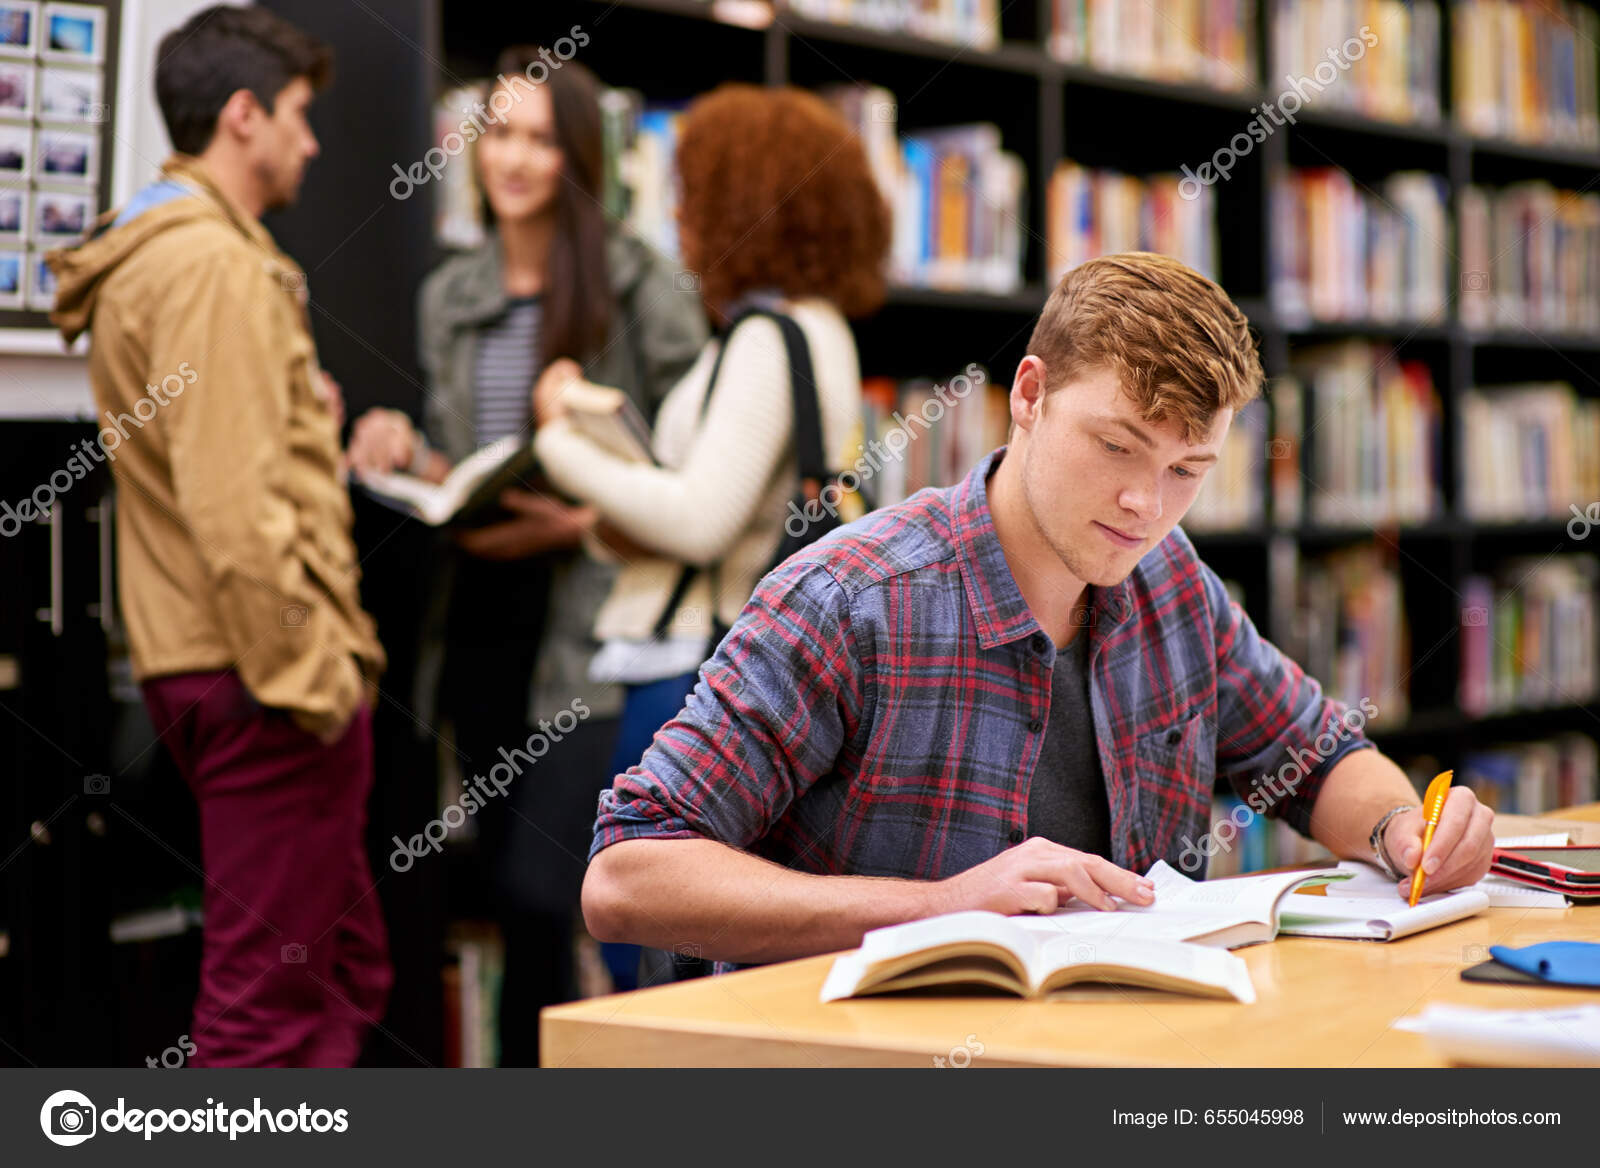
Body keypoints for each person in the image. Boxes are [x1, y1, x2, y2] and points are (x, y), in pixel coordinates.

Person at [578, 251, 1498, 968]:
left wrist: (1399, 829)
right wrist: (942, 909)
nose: (1145, 505)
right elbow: (626, 875)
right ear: (1029, 395)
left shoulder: (1172, 583)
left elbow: (1315, 755)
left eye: (1187, 471)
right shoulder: (850, 600)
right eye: (1116, 446)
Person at [346, 48, 704, 1064]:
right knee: (505, 888)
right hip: (475, 611)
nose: (512, 158)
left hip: (592, 615)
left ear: (579, 157)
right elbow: (463, 453)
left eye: (540, 140)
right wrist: (402, 449)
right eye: (498, 133)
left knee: (559, 887)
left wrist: (583, 517)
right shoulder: (450, 290)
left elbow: (692, 462)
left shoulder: (639, 283)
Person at [47, 6, 390, 1065]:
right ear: (243, 115)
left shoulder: (168, 252)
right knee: (266, 1013)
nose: (312, 143)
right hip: (261, 677)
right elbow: (235, 511)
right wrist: (312, 676)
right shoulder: (214, 267)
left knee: (337, 972)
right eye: (297, 115)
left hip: (213, 664)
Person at [529, 87, 891, 963]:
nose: (679, 215)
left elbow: (701, 520)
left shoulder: (767, 337)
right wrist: (615, 521)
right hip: (720, 644)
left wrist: (558, 441)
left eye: (694, 193)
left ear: (744, 203)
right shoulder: (822, 329)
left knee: (640, 936)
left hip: (691, 661)